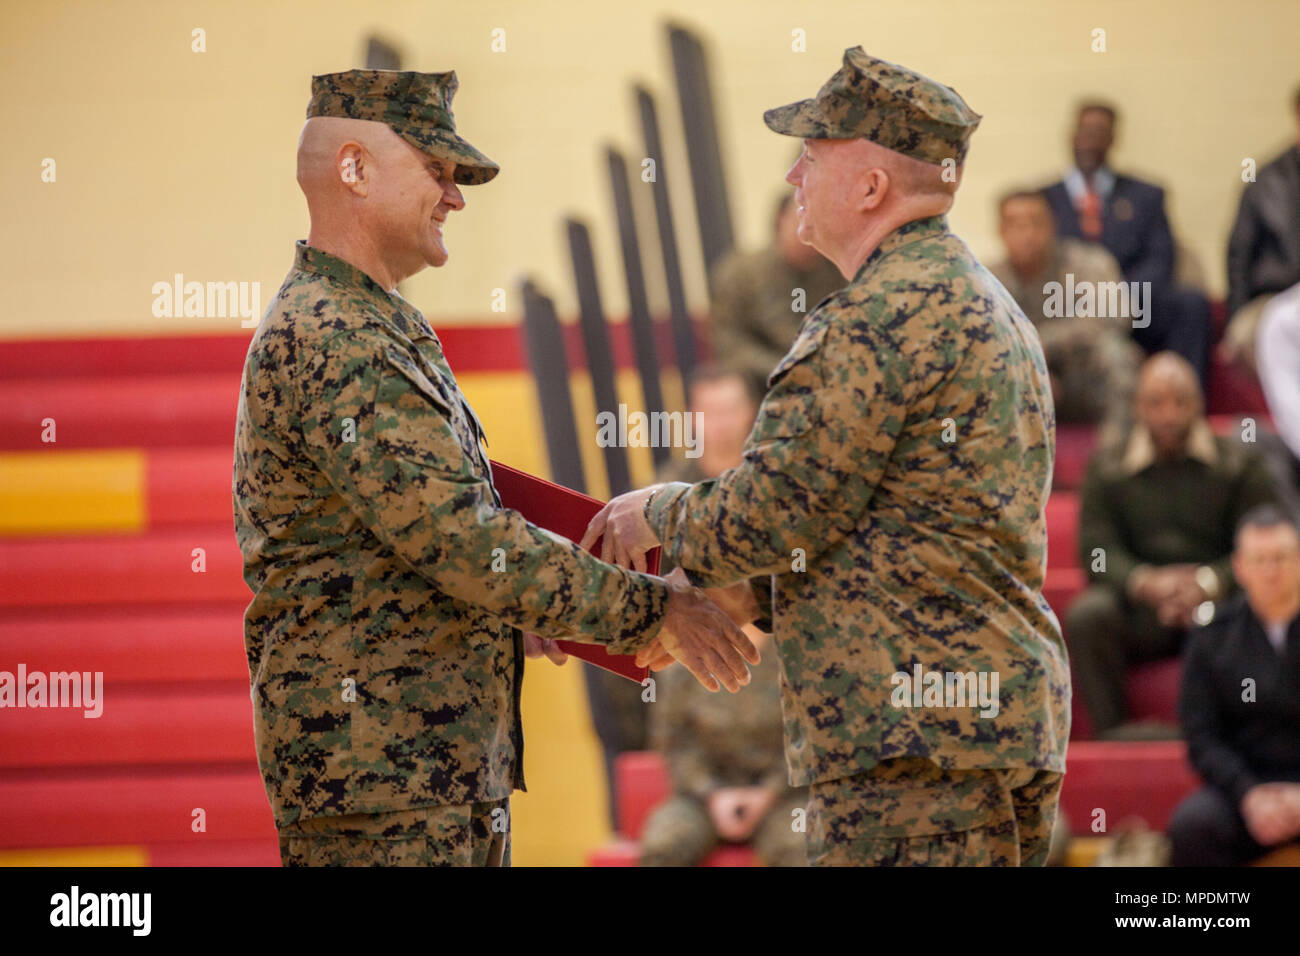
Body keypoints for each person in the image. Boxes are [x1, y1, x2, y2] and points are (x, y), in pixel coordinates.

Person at [232, 68, 757, 868]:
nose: (456, 197)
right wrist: (654, 612)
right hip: (377, 781)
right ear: (353, 169)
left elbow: (432, 541)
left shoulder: (382, 323)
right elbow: (462, 541)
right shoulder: (333, 335)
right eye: (437, 172)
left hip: (425, 771)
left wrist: (512, 609)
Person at [583, 47, 1070, 867]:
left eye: (811, 156)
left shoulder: (873, 318)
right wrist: (747, 600)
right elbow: (890, 528)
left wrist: (655, 509)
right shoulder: (980, 300)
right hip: (969, 718)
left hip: (912, 738)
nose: (792, 177)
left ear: (872, 187)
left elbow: (774, 509)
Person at [1066, 353, 1279, 739]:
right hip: (1144, 607)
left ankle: (1255, 735)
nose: (1169, 414)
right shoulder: (1107, 468)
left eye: (1180, 402)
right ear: (1137, 406)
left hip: (1221, 605)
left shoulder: (1238, 464)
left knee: (1270, 600)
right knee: (1088, 615)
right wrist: (1146, 582)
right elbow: (1096, 554)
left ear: (1199, 403)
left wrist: (1209, 581)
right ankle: (1114, 735)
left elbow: (1269, 542)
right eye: (1156, 402)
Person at [1042, 103, 1212, 383]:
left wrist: (1117, 299)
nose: (1090, 140)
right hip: (1066, 306)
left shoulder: (1147, 195)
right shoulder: (1044, 200)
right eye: (1085, 131)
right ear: (1071, 135)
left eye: (1100, 132)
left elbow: (1160, 258)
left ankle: (1185, 405)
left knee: (1190, 305)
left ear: (1113, 139)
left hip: (1135, 303)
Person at [1169, 506, 1300, 866]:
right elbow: (1202, 735)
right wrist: (1249, 794)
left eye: (1281, 558)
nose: (1272, 571)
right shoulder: (1212, 636)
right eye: (1260, 560)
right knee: (1192, 826)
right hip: (1248, 785)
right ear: (1240, 567)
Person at [640, 624, 808, 866]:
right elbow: (673, 744)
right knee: (664, 844)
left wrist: (769, 792)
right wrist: (711, 793)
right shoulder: (687, 657)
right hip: (701, 800)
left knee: (802, 846)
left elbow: (809, 741)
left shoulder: (798, 657)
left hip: (785, 798)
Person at [989, 188, 1139, 432]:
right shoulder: (987, 279)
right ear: (1001, 231)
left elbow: (1114, 317)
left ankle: (1115, 460)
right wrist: (1033, 366)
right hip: (1019, 383)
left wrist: (1041, 344)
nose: (1027, 234)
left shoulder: (1088, 264)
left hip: (1081, 379)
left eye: (1036, 223)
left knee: (1117, 354)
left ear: (1052, 226)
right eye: (1016, 225)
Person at [709, 193, 845, 384]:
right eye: (802, 218)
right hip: (761, 383)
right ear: (781, 220)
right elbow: (729, 344)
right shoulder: (741, 273)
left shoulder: (837, 271)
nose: (809, 230)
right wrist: (784, 368)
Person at [1224, 86, 1300, 376]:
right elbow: (1239, 256)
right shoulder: (1264, 181)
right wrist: (1236, 315)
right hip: (1274, 297)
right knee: (1248, 334)